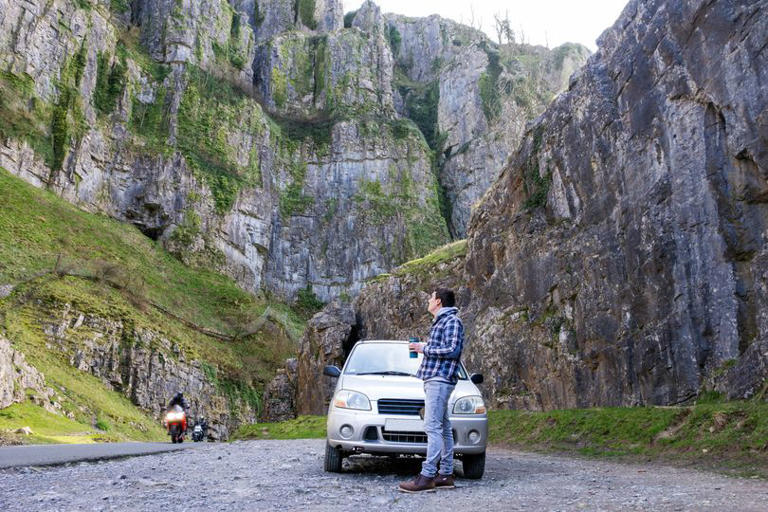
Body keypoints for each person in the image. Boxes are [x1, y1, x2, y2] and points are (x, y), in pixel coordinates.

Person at [399, 287, 464, 493]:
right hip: (435, 379)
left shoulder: (452, 321)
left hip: (440, 380)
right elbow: (445, 347)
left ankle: (427, 477)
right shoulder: (441, 321)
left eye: (431, 297)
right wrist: (425, 345)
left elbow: (453, 350)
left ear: (438, 302)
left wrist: (423, 348)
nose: (428, 300)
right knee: (443, 427)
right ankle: (445, 475)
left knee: (432, 426)